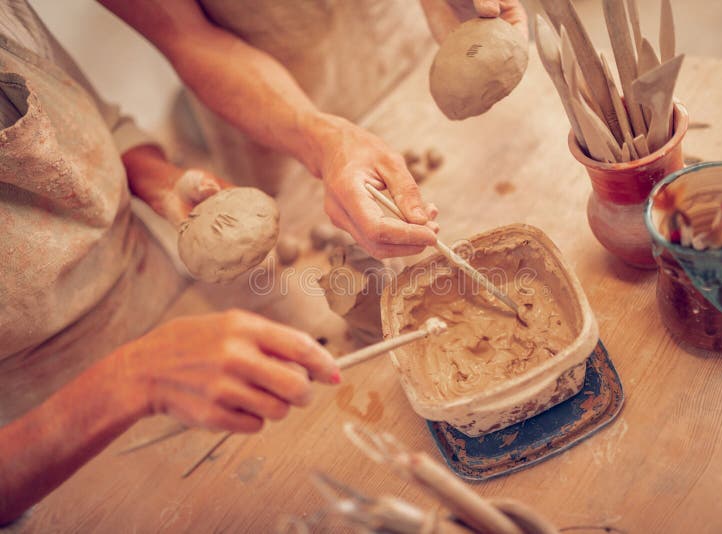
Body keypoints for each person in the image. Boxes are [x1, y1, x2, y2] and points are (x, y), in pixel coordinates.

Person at [0, 0, 525, 523]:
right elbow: (186, 35)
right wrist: (129, 379)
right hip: (40, 409)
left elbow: (82, 118)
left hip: (146, 275)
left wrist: (161, 176)